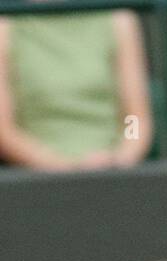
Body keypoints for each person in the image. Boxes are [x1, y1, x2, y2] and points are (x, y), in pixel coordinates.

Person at [0, 3, 152, 171]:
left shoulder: (118, 19)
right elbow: (5, 131)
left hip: (112, 176)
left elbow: (136, 118)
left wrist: (122, 157)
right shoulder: (7, 25)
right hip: (38, 179)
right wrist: (63, 167)